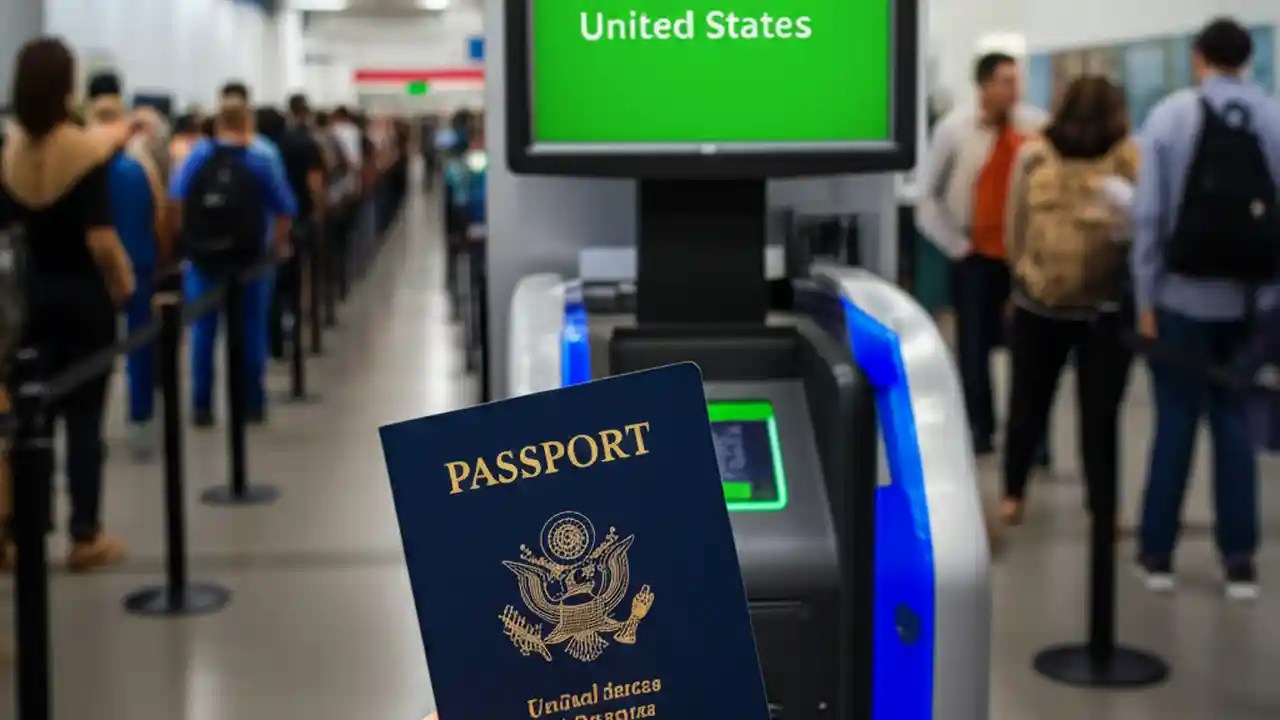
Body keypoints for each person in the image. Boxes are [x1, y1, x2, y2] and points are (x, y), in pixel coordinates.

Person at [1132, 18, 1280, 600]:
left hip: (1179, 299)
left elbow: (1148, 218)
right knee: (1235, 425)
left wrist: (1145, 297)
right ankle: (1239, 562)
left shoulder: (1171, 116)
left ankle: (1157, 556)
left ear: (1198, 57)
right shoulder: (1272, 117)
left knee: (1174, 421)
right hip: (1250, 303)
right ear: (1248, 59)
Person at [0, 37, 135, 570]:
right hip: (82, 302)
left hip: (25, 304)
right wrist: (123, 285)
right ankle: (85, 534)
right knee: (84, 423)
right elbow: (101, 240)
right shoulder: (83, 152)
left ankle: (20, 532)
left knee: (27, 424)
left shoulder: (10, 153)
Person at [1001, 76, 1139, 527]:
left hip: (1039, 302)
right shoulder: (1128, 158)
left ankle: (1013, 495)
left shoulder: (1034, 154)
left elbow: (1014, 225)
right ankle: (1104, 509)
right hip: (1105, 308)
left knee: (1027, 404)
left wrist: (1021, 275)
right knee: (1101, 417)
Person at [917, 53, 1048, 456]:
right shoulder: (954, 130)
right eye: (1005, 81)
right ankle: (979, 428)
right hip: (974, 255)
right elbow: (926, 195)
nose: (1014, 90)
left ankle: (1033, 438)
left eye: (1016, 80)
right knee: (974, 349)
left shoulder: (1035, 127)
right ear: (984, 86)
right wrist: (956, 246)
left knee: (1032, 351)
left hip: (1024, 257)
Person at [169, 95, 297, 427]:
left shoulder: (197, 155)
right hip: (251, 258)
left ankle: (202, 405)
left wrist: (187, 241)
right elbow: (285, 208)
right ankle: (252, 402)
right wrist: (278, 245)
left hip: (203, 260)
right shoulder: (262, 156)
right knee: (252, 329)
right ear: (247, 122)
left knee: (203, 333)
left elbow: (176, 200)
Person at [85, 71, 170, 459]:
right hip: (139, 262)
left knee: (95, 352)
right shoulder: (138, 168)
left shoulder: (85, 171)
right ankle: (140, 414)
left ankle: (93, 425)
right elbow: (158, 215)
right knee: (140, 342)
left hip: (97, 270)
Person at [273, 94, 326, 359]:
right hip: (299, 216)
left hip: (270, 222)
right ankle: (293, 322)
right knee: (295, 274)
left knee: (274, 281)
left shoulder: (267, 146)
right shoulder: (306, 142)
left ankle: (275, 336)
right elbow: (314, 181)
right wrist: (318, 210)